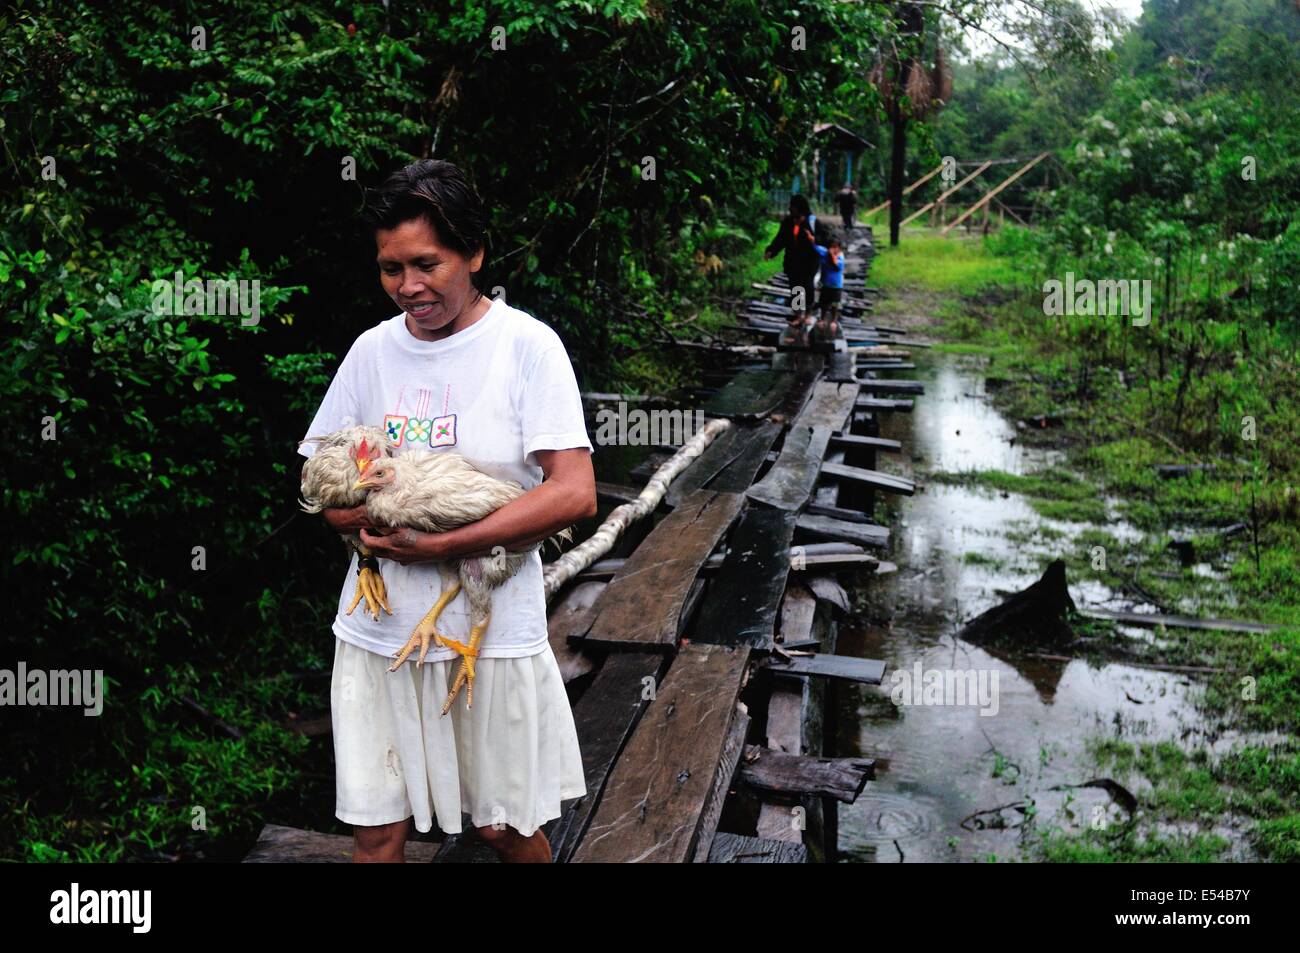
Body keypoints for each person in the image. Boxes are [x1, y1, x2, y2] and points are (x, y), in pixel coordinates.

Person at [297, 159, 597, 863]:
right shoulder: (373, 352)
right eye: (390, 268)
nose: (408, 286)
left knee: (503, 824)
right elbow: (323, 477)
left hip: (487, 627)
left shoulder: (527, 348)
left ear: (475, 253)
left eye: (426, 263)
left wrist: (444, 544)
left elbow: (574, 491)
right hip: (380, 632)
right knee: (376, 830)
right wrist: (349, 520)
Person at [764, 194, 821, 344]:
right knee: (796, 287)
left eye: (793, 206)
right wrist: (771, 250)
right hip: (792, 261)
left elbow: (823, 239)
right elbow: (780, 238)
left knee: (807, 285)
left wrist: (814, 240)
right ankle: (798, 316)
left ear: (800, 207)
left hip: (809, 261)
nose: (790, 208)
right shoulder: (788, 222)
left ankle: (808, 314)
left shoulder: (813, 222)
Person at [811, 234, 844, 344]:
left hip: (836, 285)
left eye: (836, 247)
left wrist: (833, 256)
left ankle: (834, 320)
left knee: (835, 304)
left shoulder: (840, 257)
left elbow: (836, 266)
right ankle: (822, 318)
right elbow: (815, 247)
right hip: (825, 283)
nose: (834, 249)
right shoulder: (824, 252)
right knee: (824, 303)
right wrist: (811, 239)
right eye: (832, 247)